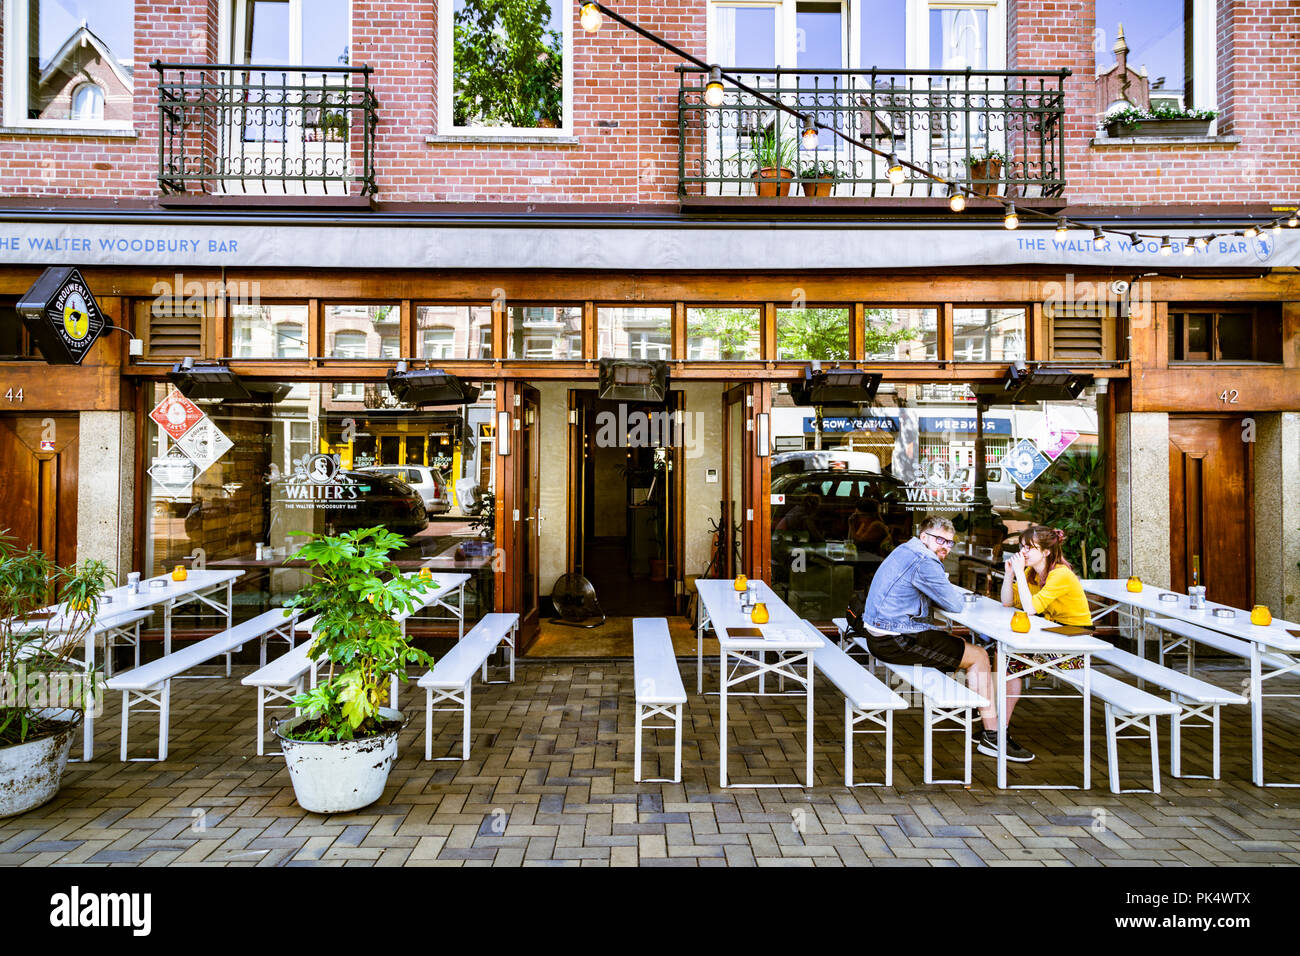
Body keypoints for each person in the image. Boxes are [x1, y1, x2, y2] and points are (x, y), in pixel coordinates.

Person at [847, 515, 1021, 759]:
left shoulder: (905, 549)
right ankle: (992, 736)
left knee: (957, 644)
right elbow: (954, 604)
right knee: (979, 656)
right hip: (893, 640)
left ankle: (970, 710)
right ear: (924, 537)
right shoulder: (924, 560)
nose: (945, 547)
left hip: (880, 633)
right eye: (940, 540)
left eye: (950, 543)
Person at [989, 524, 1092, 760]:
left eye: (1029, 548)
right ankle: (996, 727)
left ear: (1046, 552)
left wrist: (1020, 576)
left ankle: (998, 729)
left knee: (1008, 658)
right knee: (1003, 655)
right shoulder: (1031, 573)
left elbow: (1031, 608)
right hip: (1052, 635)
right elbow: (1008, 602)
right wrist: (1009, 574)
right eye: (1022, 547)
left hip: (1076, 642)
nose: (1023, 552)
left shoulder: (1060, 574)